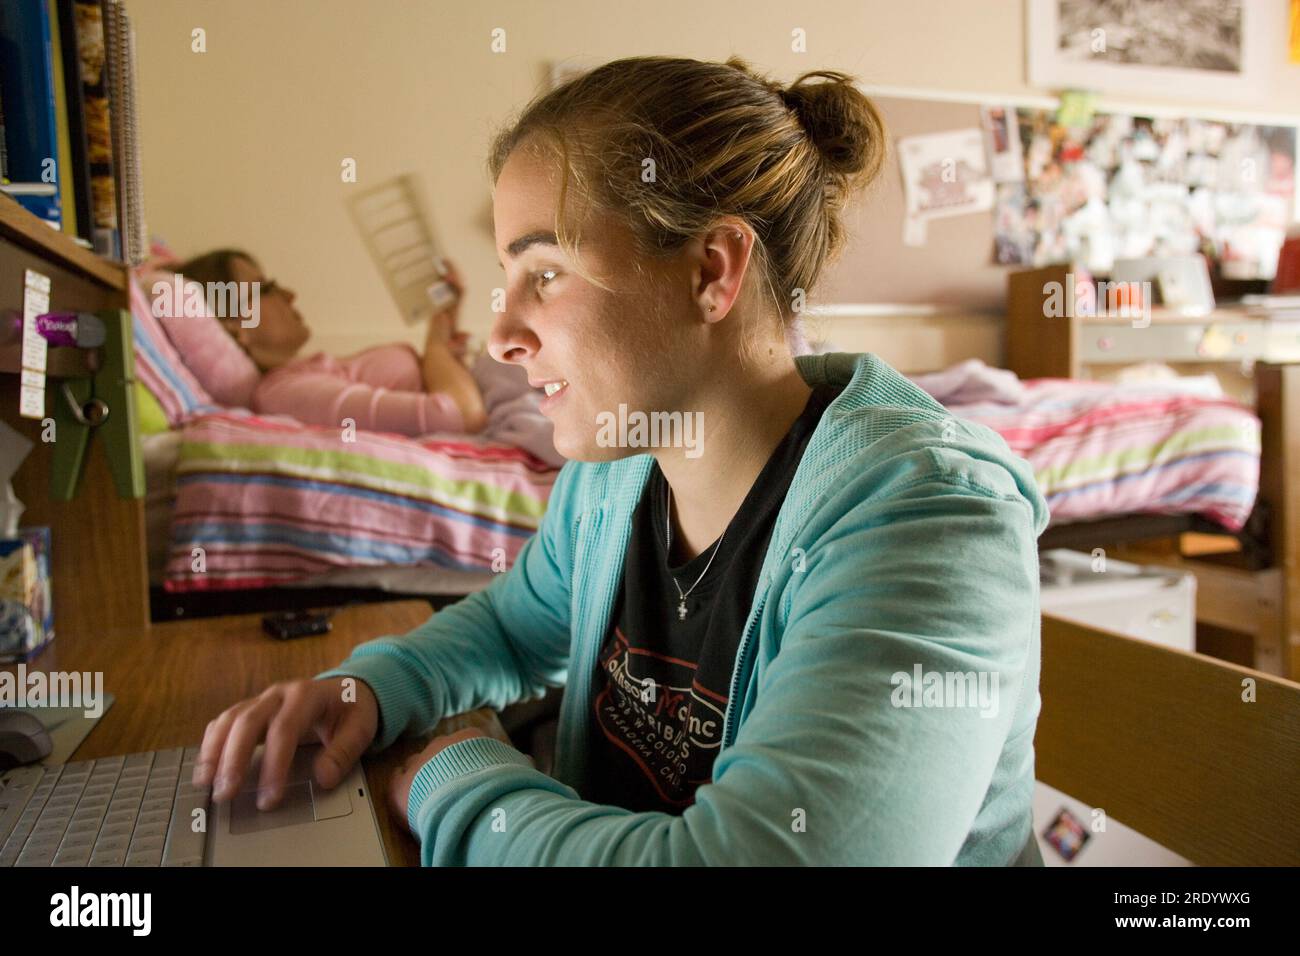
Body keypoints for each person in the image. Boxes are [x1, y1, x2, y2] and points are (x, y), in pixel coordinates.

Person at [191, 55, 1050, 865]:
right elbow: (509, 628)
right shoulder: (619, 472)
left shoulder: (927, 517)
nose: (500, 335)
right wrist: (374, 689)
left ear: (711, 270)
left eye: (548, 271)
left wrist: (457, 785)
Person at [171, 249, 487, 434]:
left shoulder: (306, 374)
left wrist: (444, 322)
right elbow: (457, 414)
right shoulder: (283, 392)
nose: (290, 295)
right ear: (236, 327)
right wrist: (435, 346)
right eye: (265, 288)